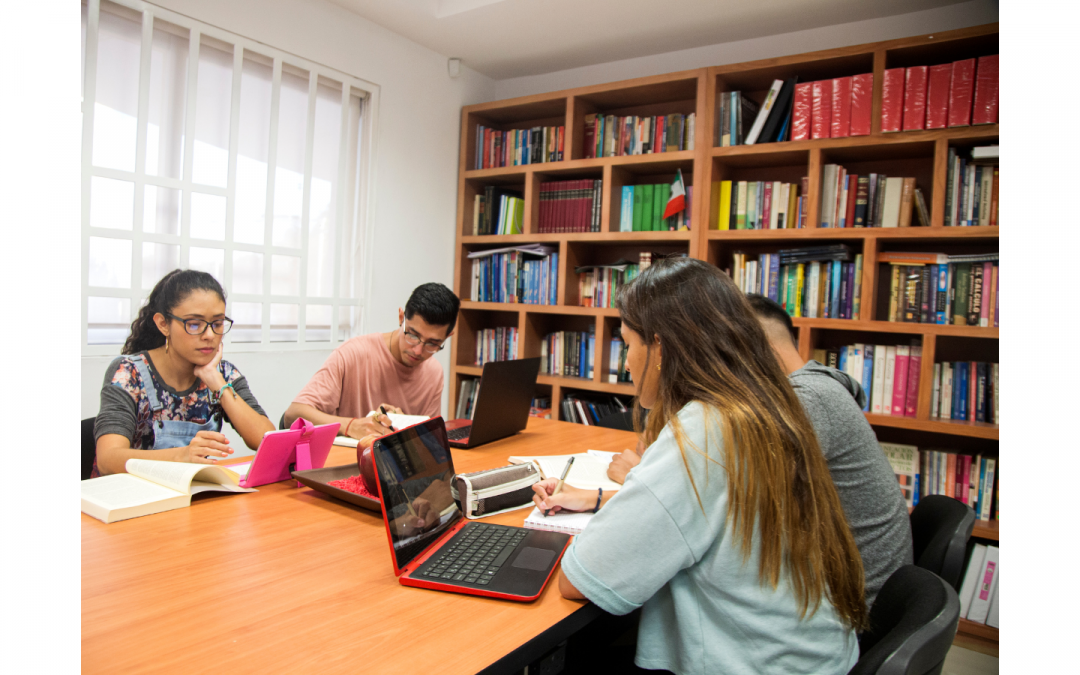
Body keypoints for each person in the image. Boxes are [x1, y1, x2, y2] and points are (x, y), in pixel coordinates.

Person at [533, 258, 865, 674]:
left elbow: (581, 579)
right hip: (810, 656)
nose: (626, 363)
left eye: (627, 344)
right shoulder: (763, 406)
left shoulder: (705, 431)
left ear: (661, 348)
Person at [745, 293, 913, 609]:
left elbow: (740, 494)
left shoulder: (809, 398)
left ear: (758, 348)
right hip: (836, 581)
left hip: (848, 604)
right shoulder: (816, 387)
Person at [94, 270, 275, 476]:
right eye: (194, 324)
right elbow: (108, 460)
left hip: (192, 495)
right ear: (163, 324)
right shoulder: (128, 373)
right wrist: (181, 456)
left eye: (217, 324)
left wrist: (217, 383)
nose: (209, 335)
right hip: (132, 498)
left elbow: (266, 440)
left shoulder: (223, 373)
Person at [285, 283, 459, 440]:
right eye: (413, 335)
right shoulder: (353, 353)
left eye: (433, 343)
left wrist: (404, 424)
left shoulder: (434, 373)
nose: (418, 350)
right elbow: (293, 415)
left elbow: (428, 442)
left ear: (447, 337)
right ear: (401, 318)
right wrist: (352, 426)